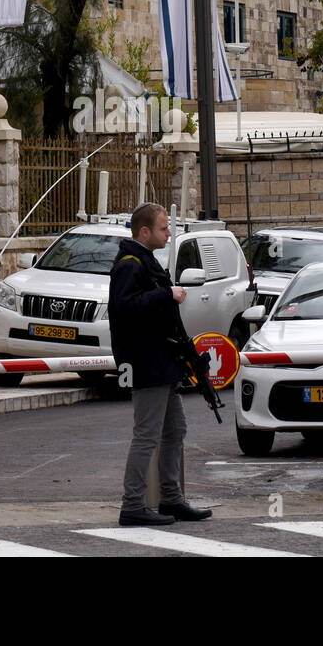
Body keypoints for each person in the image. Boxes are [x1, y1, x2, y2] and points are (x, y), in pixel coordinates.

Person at [108, 202, 213, 527]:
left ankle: (171, 498)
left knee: (175, 430)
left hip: (163, 362)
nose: (168, 233)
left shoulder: (144, 260)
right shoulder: (129, 264)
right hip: (147, 364)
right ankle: (133, 505)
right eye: (164, 228)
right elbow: (123, 308)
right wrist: (166, 294)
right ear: (145, 231)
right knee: (147, 435)